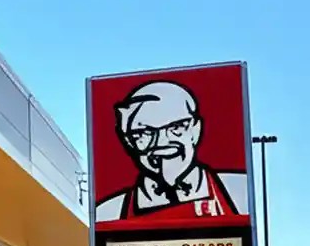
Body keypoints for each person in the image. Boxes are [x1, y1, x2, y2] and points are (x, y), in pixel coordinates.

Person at [96, 81, 249, 222]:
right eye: (144, 132)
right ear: (129, 141)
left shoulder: (238, 190)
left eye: (176, 127)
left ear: (196, 130)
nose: (161, 142)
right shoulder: (108, 213)